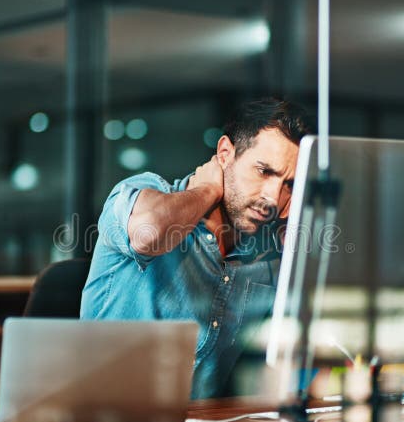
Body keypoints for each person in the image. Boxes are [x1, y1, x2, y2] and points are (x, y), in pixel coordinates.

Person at [80, 97, 312, 398]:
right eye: (264, 172)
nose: (272, 196)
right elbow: (147, 235)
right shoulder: (142, 194)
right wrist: (208, 189)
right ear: (225, 153)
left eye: (289, 184)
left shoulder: (268, 255)